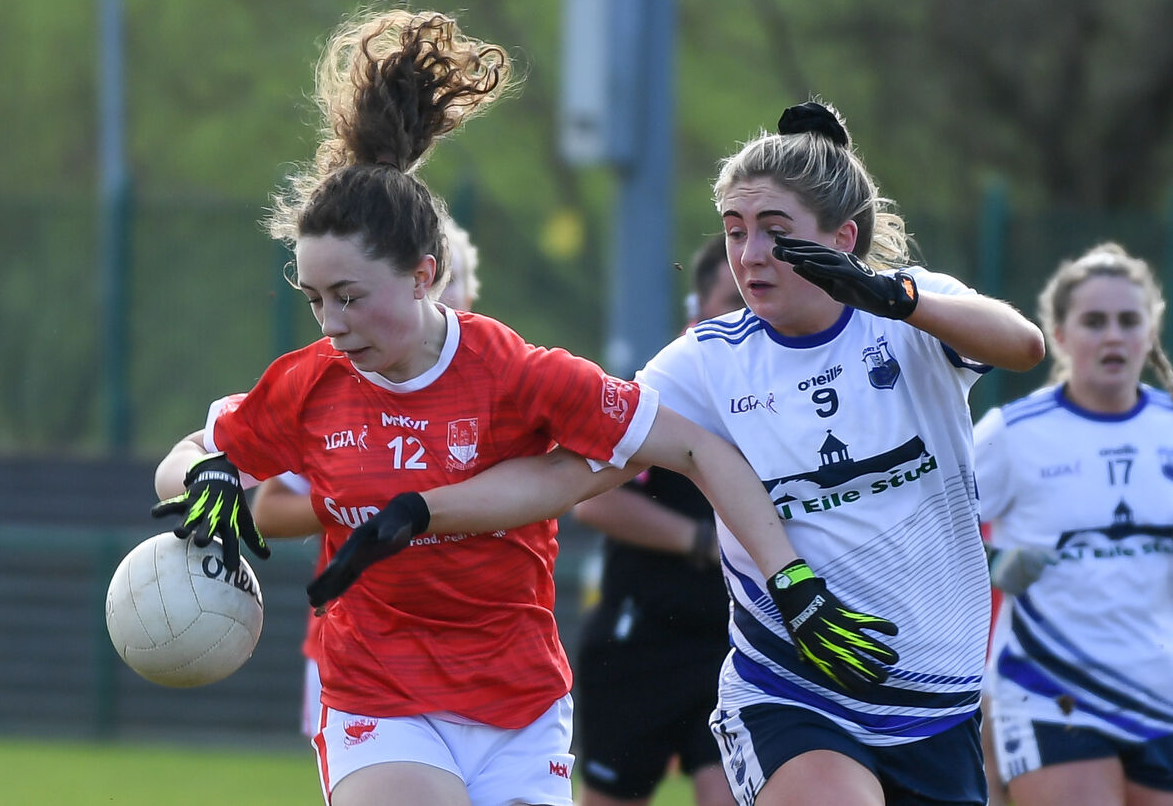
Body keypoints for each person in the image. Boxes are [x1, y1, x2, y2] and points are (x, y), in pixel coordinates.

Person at [150, 12, 896, 806]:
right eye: (313, 300)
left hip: (518, 709)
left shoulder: (515, 373)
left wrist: (791, 581)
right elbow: (191, 453)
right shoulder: (308, 382)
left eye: (349, 297)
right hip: (378, 700)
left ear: (422, 275)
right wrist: (206, 474)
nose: (331, 324)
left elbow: (698, 451)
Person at [300, 99, 1045, 806]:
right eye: (733, 229)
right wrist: (420, 509)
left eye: (774, 229)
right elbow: (572, 471)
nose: (750, 253)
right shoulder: (706, 361)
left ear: (842, 238)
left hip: (935, 697)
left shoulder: (910, 311)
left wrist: (896, 297)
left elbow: (1022, 345)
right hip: (795, 688)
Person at [251, 213, 481, 739]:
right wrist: (363, 504)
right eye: (318, 300)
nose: (450, 292)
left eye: (460, 279)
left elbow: (578, 471)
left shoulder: (499, 381)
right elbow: (266, 507)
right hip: (363, 653)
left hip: (478, 657)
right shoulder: (339, 380)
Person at [974, 242, 1173, 806]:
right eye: (1094, 322)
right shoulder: (1014, 433)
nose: (1113, 336)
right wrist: (995, 563)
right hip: (1048, 691)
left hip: (1159, 693)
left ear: (1150, 330)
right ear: (1058, 334)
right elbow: (928, 525)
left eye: (1128, 321)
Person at [573, 234, 742, 806]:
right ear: (696, 311)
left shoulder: (781, 395)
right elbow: (591, 499)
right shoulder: (664, 388)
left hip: (734, 648)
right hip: (640, 641)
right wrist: (700, 539)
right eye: (731, 300)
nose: (745, 317)